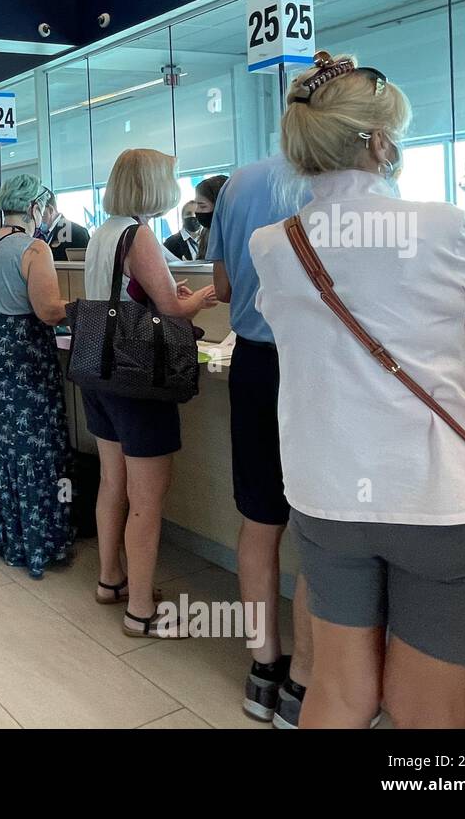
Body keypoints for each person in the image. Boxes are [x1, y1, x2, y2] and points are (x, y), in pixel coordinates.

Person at [250, 54, 465, 729]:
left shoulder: (271, 243)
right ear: (379, 141)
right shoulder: (440, 223)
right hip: (438, 496)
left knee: (339, 691)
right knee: (424, 708)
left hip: (328, 496)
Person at [80, 149, 217, 641]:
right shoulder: (139, 235)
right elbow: (170, 312)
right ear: (153, 185)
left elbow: (125, 296)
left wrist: (168, 296)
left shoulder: (102, 231)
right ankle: (140, 609)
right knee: (147, 500)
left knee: (111, 482)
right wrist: (199, 298)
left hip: (99, 371)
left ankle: (109, 578)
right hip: (137, 379)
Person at [206, 155, 312, 727]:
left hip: (254, 364)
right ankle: (307, 686)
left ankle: (262, 672)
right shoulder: (350, 178)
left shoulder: (241, 182)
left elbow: (222, 286)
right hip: (323, 366)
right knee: (325, 529)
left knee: (259, 520)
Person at [0, 173, 71, 577]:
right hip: (22, 348)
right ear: (33, 208)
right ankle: (38, 540)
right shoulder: (34, 248)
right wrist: (84, 307)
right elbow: (47, 311)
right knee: (33, 444)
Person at [37, 187, 91, 261]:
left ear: (50, 210)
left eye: (38, 211)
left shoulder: (75, 233)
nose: (35, 217)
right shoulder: (38, 234)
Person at [193, 174, 228, 258]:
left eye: (202, 206)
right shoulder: (205, 233)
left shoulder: (232, 236)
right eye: (196, 205)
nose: (196, 211)